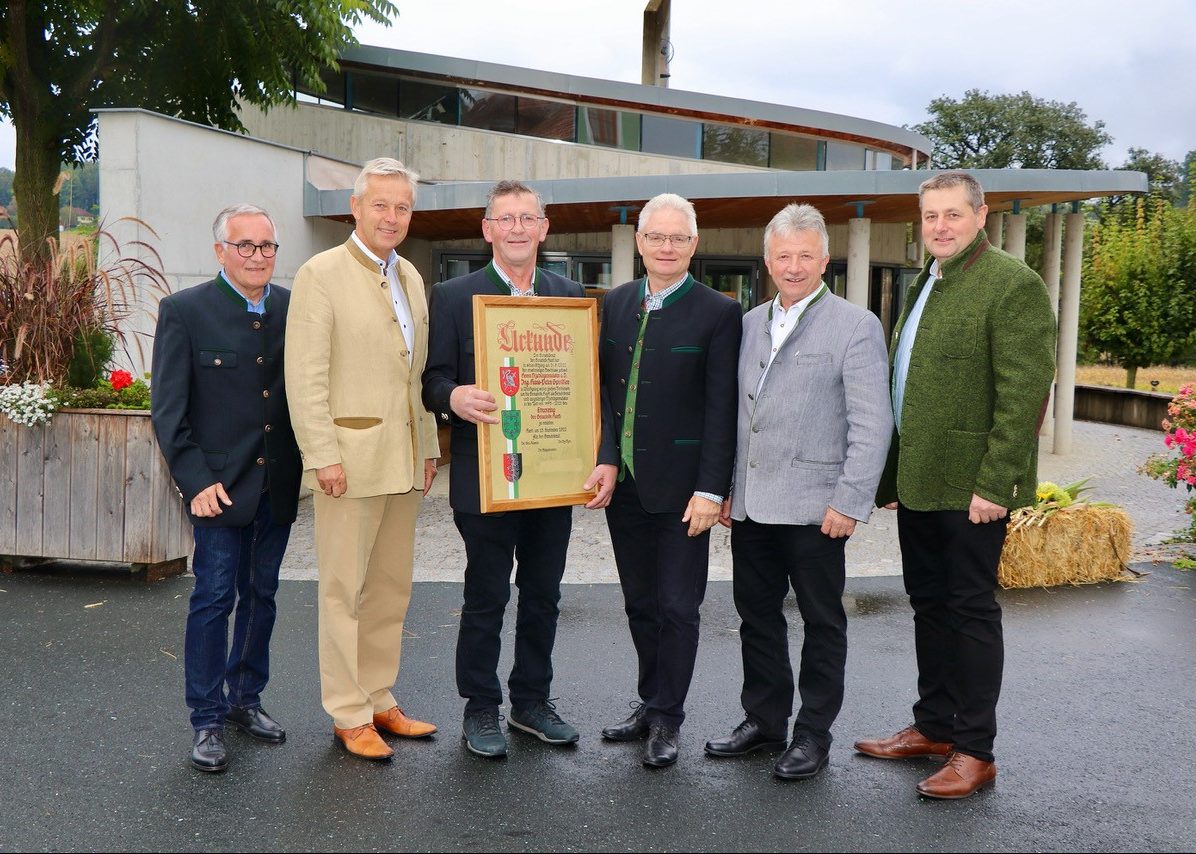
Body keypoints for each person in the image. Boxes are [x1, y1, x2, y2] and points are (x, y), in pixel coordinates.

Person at [854, 171, 1056, 799]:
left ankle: (975, 749)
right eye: (931, 216)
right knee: (930, 608)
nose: (940, 226)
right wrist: (892, 476)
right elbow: (905, 384)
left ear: (981, 215)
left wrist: (996, 483)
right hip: (921, 483)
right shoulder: (927, 282)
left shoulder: (1012, 284)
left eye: (952, 215)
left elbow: (1024, 395)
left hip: (973, 489)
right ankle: (935, 727)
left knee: (969, 613)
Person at [703, 203, 891, 780]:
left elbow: (872, 422)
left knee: (821, 622)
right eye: (783, 255)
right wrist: (730, 488)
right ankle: (763, 722)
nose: (793, 265)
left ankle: (812, 734)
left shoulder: (855, 325)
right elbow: (739, 416)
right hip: (754, 505)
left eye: (805, 255)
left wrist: (849, 501)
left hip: (817, 509)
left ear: (825, 261)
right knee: (756, 618)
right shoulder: (748, 322)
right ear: (766, 260)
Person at [423, 180, 587, 758]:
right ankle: (481, 707)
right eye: (505, 219)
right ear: (487, 228)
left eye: (528, 218)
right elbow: (431, 380)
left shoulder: (571, 296)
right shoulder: (452, 294)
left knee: (543, 594)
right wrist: (454, 397)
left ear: (545, 227)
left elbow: (585, 386)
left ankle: (531, 702)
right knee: (486, 595)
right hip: (485, 476)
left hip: (551, 473)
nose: (517, 228)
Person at [285, 158, 440, 762]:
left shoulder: (412, 279)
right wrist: (322, 454)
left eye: (402, 207)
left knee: (391, 589)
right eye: (381, 205)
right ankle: (347, 713)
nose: (392, 217)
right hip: (347, 462)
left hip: (403, 460)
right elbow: (306, 376)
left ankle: (378, 696)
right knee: (342, 592)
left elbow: (417, 376)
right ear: (355, 207)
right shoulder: (320, 274)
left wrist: (427, 447)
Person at [590, 193, 742, 768]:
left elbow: (721, 408)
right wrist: (605, 457)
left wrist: (711, 489)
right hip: (625, 485)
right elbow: (604, 394)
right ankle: (649, 700)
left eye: (679, 238)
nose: (667, 246)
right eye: (657, 236)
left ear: (694, 245)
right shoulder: (615, 304)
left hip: (684, 493)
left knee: (678, 607)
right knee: (639, 603)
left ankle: (668, 720)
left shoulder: (718, 312)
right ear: (639, 241)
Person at [152, 203, 302, 773]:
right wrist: (195, 481)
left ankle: (245, 699)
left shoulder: (293, 309)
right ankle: (207, 718)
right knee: (214, 599)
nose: (258, 257)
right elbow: (168, 411)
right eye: (246, 246)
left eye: (267, 247)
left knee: (262, 596)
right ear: (220, 251)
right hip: (218, 488)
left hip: (276, 486)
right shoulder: (185, 311)